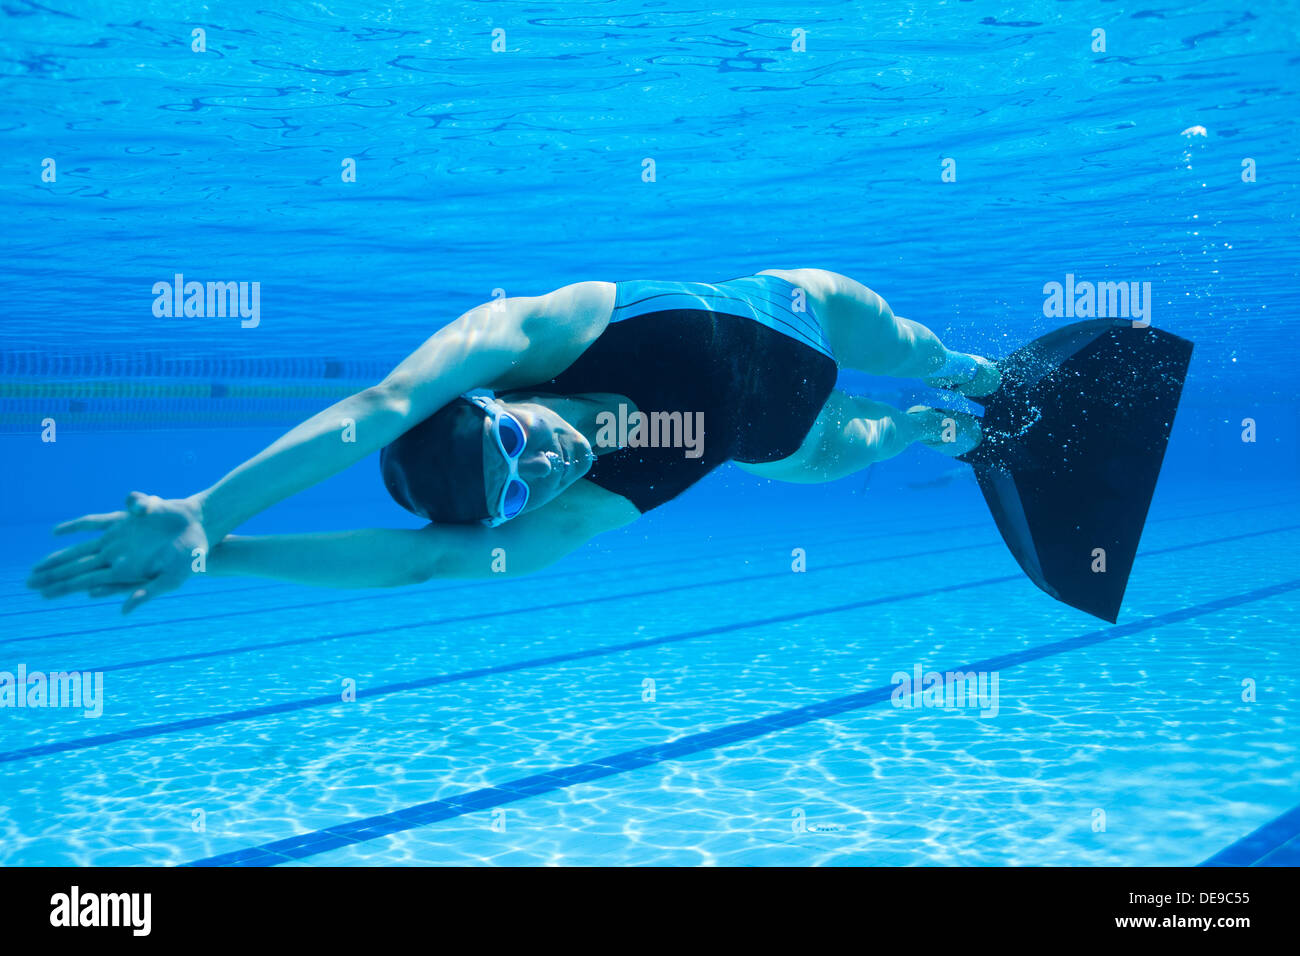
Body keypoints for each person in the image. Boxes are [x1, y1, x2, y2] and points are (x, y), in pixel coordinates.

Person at [26, 269, 998, 613]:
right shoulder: (569, 513)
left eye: (509, 437)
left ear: (496, 396)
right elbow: (422, 568)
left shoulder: (548, 332)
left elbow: (388, 399)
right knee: (880, 437)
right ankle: (945, 429)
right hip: (777, 439)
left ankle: (975, 375)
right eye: (517, 488)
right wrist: (223, 559)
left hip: (805, 311)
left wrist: (208, 510)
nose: (543, 464)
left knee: (914, 348)